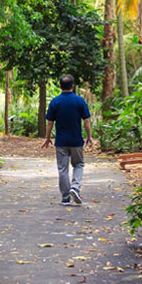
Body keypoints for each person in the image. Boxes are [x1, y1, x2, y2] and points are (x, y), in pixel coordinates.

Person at [41, 74, 92, 205]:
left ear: (60, 86)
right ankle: (75, 187)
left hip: (61, 142)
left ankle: (65, 198)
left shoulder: (55, 102)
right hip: (76, 141)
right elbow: (86, 120)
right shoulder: (79, 101)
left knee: (62, 169)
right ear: (73, 86)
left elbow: (50, 122)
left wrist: (47, 138)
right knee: (79, 164)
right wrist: (89, 137)